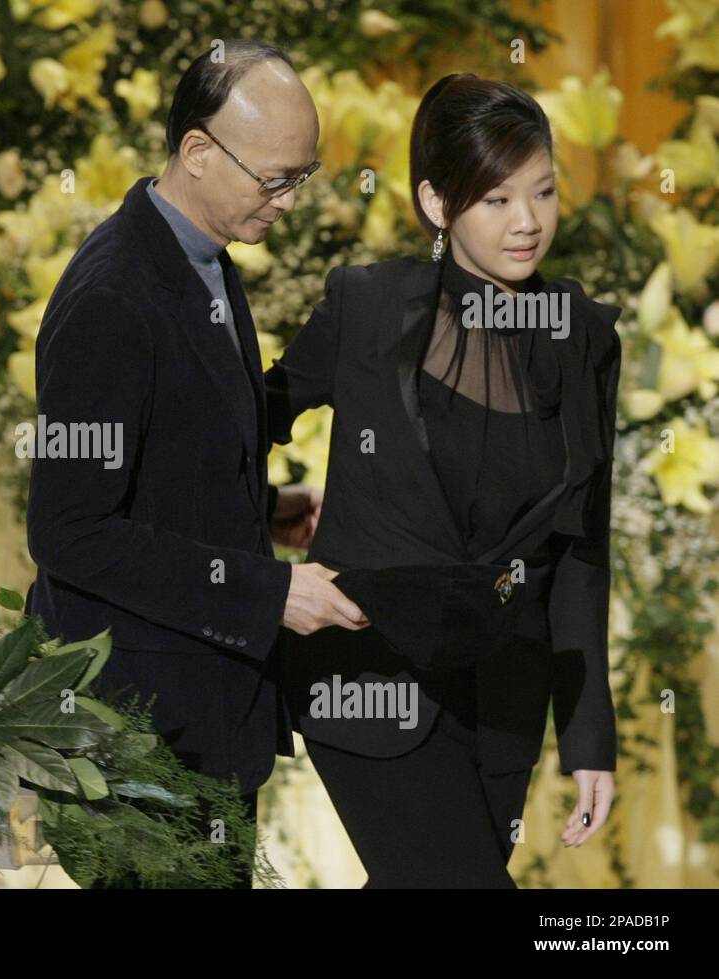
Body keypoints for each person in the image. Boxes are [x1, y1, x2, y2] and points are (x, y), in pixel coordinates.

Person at [24, 40, 367, 888]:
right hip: (137, 735)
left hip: (196, 716)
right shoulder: (112, 294)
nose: (287, 202)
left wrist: (264, 503)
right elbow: (69, 531)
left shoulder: (200, 252)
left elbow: (162, 458)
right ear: (199, 152)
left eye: (303, 176)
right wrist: (270, 589)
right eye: (275, 178)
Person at [266, 73, 621, 887]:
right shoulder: (366, 305)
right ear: (436, 203)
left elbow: (582, 548)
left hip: (503, 701)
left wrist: (589, 739)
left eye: (542, 191)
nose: (527, 222)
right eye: (494, 200)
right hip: (367, 681)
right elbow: (238, 427)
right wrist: (259, 524)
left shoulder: (585, 335)